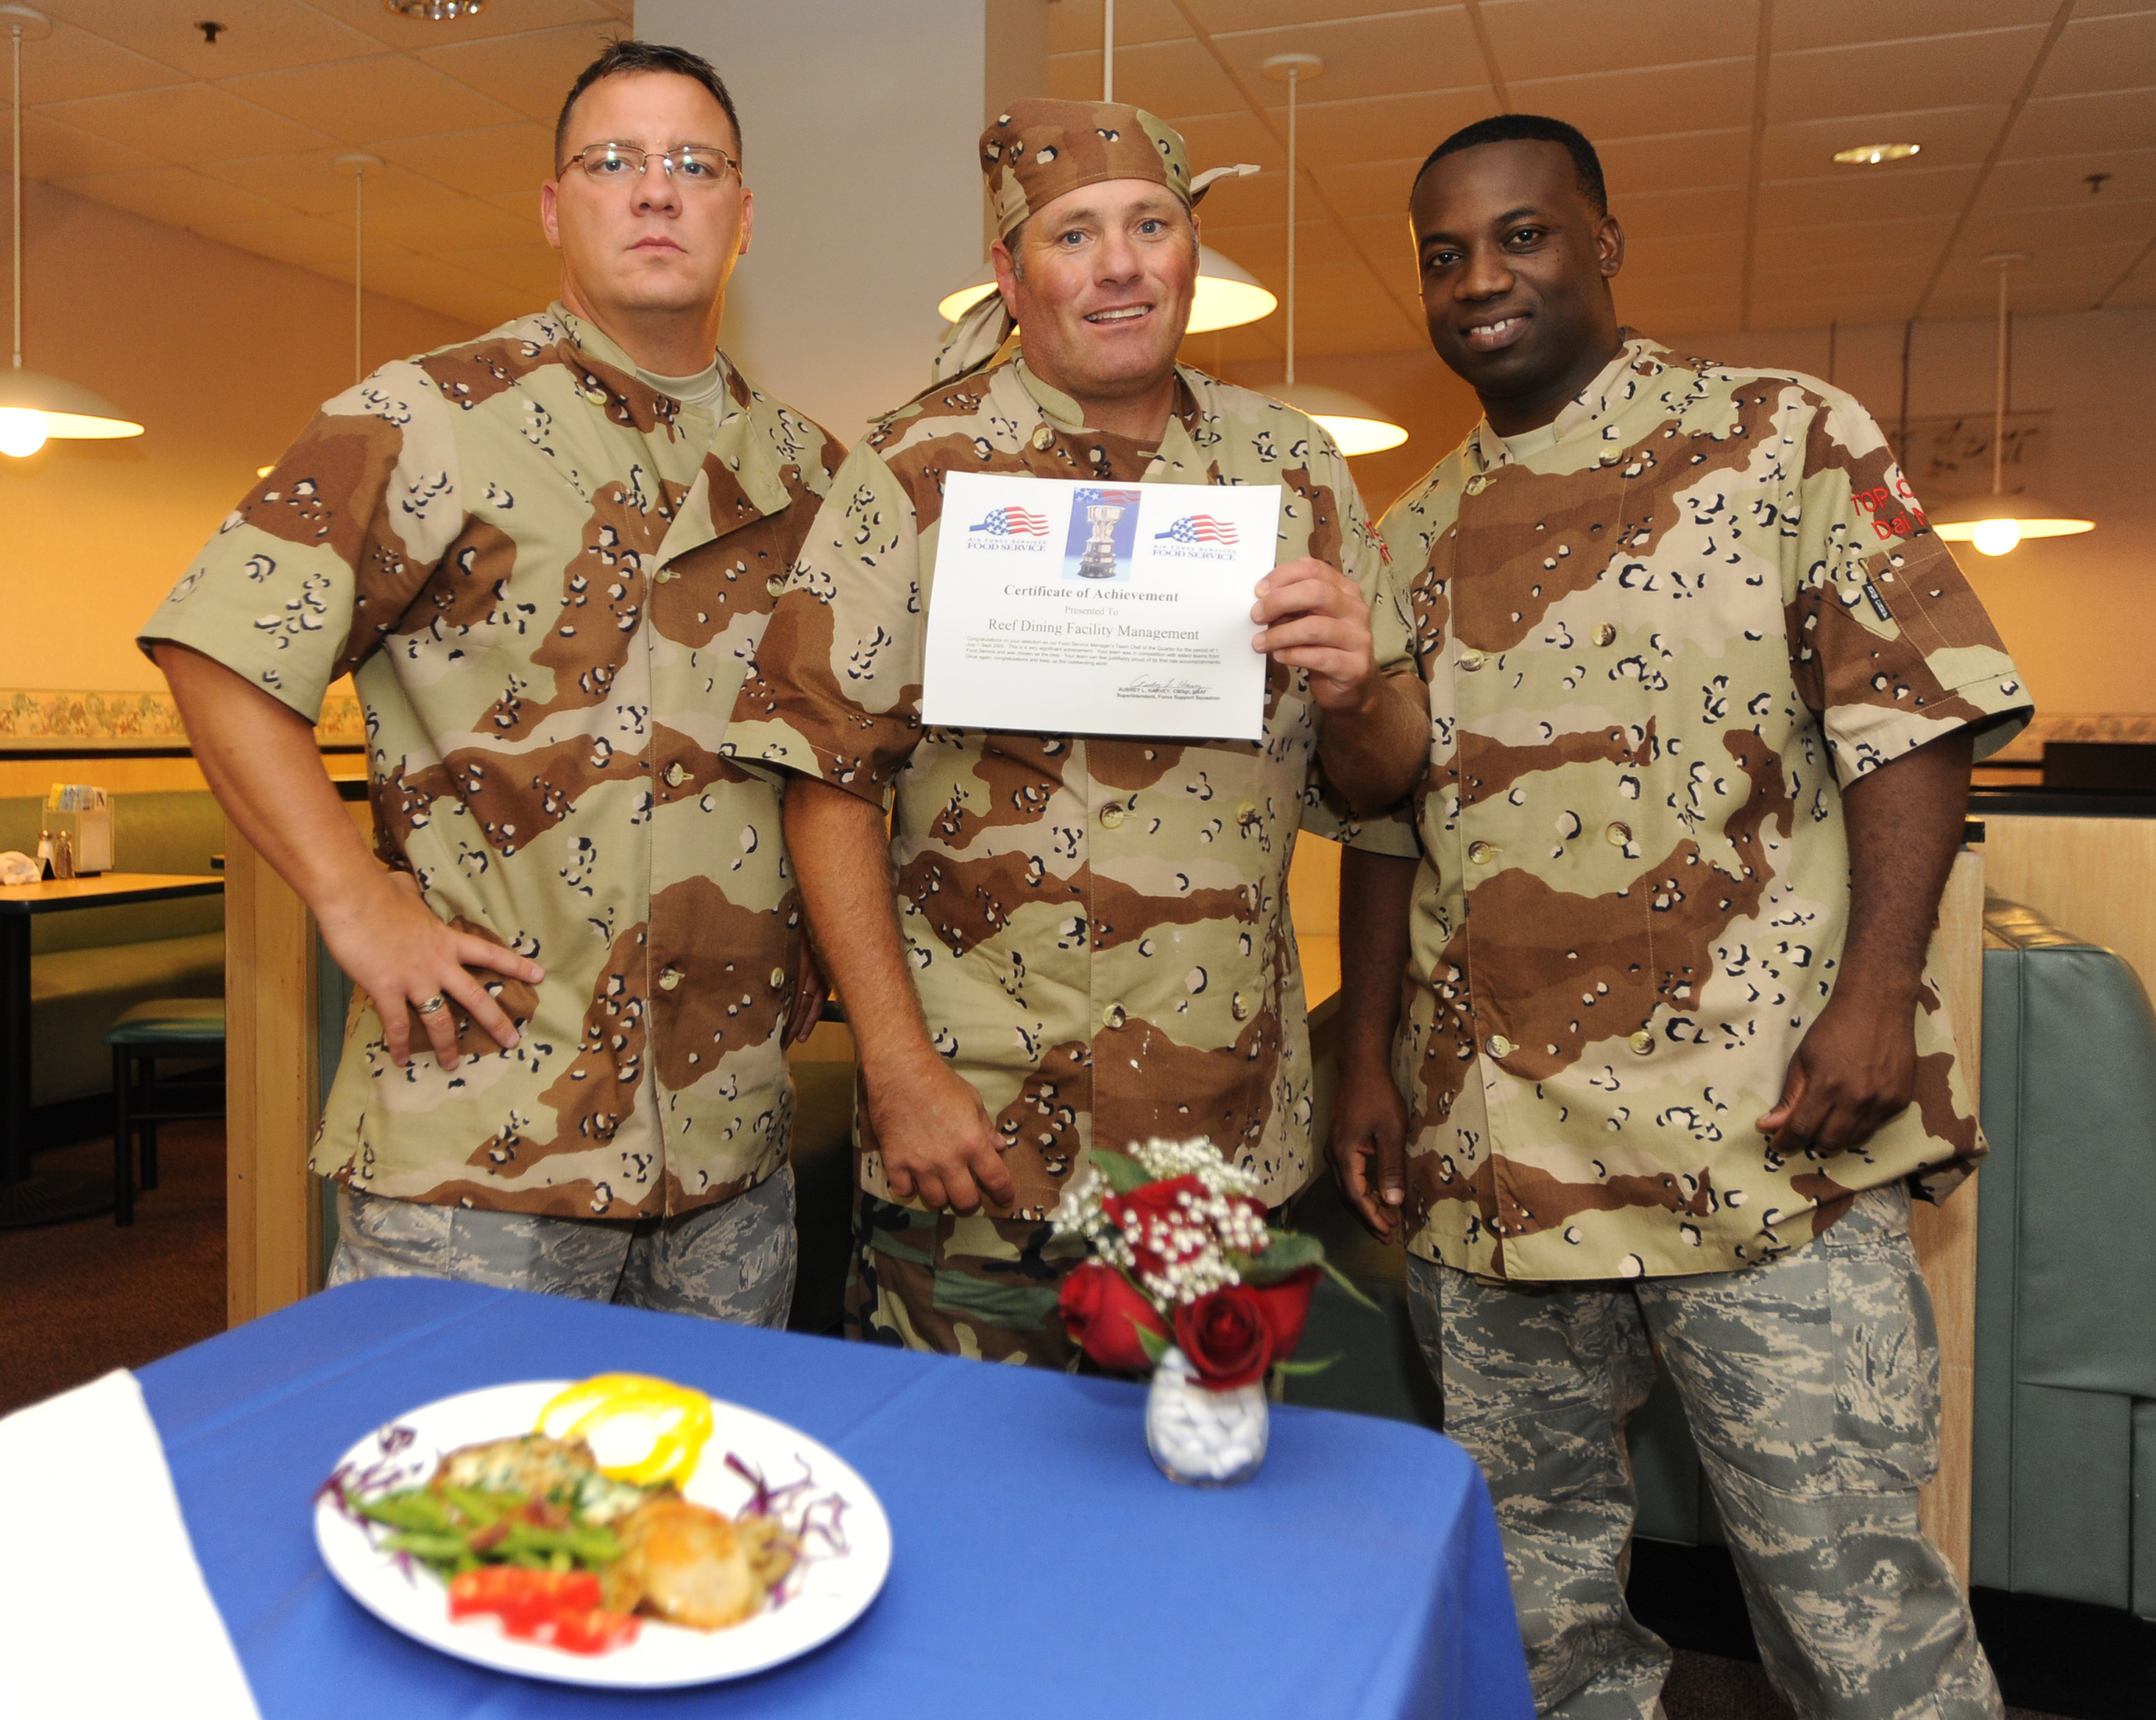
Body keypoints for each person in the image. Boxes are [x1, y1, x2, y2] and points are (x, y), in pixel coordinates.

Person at [1327, 114, 2029, 1719]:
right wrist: (1363, 1057)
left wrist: (1876, 996)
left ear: (1604, 241)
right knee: (1533, 1608)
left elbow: (1912, 722)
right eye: (1444, 254)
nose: (1480, 278)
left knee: (1851, 1609)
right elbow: (1378, 821)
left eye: (1522, 235)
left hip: (1762, 1126)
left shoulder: (1784, 436)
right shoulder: (1406, 534)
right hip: (1494, 1154)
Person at [138, 40, 846, 1326]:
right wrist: (355, 899)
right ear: (554, 206)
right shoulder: (434, 416)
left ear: (742, 216)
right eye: (612, 161)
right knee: (450, 1457)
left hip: (725, 1150)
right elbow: (216, 647)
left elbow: (831, 751)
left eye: (694, 166)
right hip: (488, 1138)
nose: (655, 190)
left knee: (703, 1458)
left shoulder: (809, 473)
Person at [724, 98, 1428, 1366]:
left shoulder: (1292, 471)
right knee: (958, 1475)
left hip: (1216, 1139)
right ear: (1009, 275)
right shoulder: (915, 467)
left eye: (1150, 225)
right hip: (974, 1134)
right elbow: (823, 776)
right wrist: (895, 1066)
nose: (1118, 265)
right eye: (1072, 235)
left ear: (1190, 254)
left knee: (1198, 1471)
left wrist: (1356, 692)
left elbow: (1384, 784)